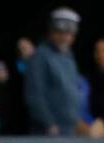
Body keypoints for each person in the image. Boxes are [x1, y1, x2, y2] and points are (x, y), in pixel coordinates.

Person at [24, 7, 84, 136]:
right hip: (49, 131)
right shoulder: (40, 56)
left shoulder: (69, 58)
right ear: (51, 32)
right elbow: (34, 95)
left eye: (69, 34)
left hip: (70, 129)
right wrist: (49, 123)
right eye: (60, 32)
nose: (65, 37)